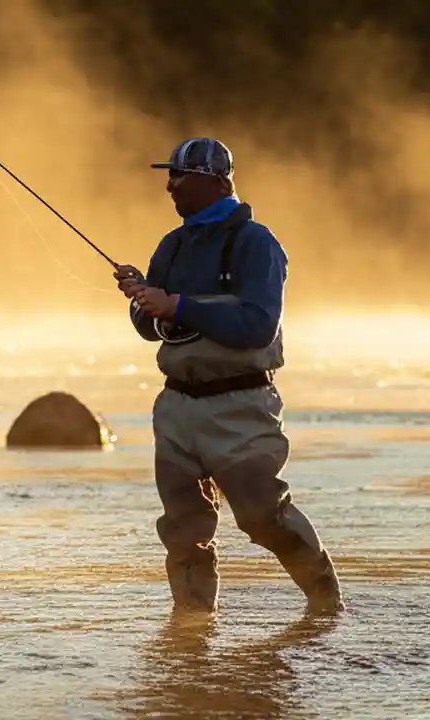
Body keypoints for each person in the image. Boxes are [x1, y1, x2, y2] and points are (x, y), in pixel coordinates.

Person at [113, 137, 343, 615]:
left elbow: (257, 326)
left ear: (217, 181)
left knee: (262, 517)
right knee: (183, 530)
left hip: (241, 405)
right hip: (176, 408)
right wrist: (145, 301)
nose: (170, 185)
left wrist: (178, 305)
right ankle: (191, 631)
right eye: (169, 175)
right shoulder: (172, 246)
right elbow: (152, 331)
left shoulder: (257, 244)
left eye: (181, 175)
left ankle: (325, 604)